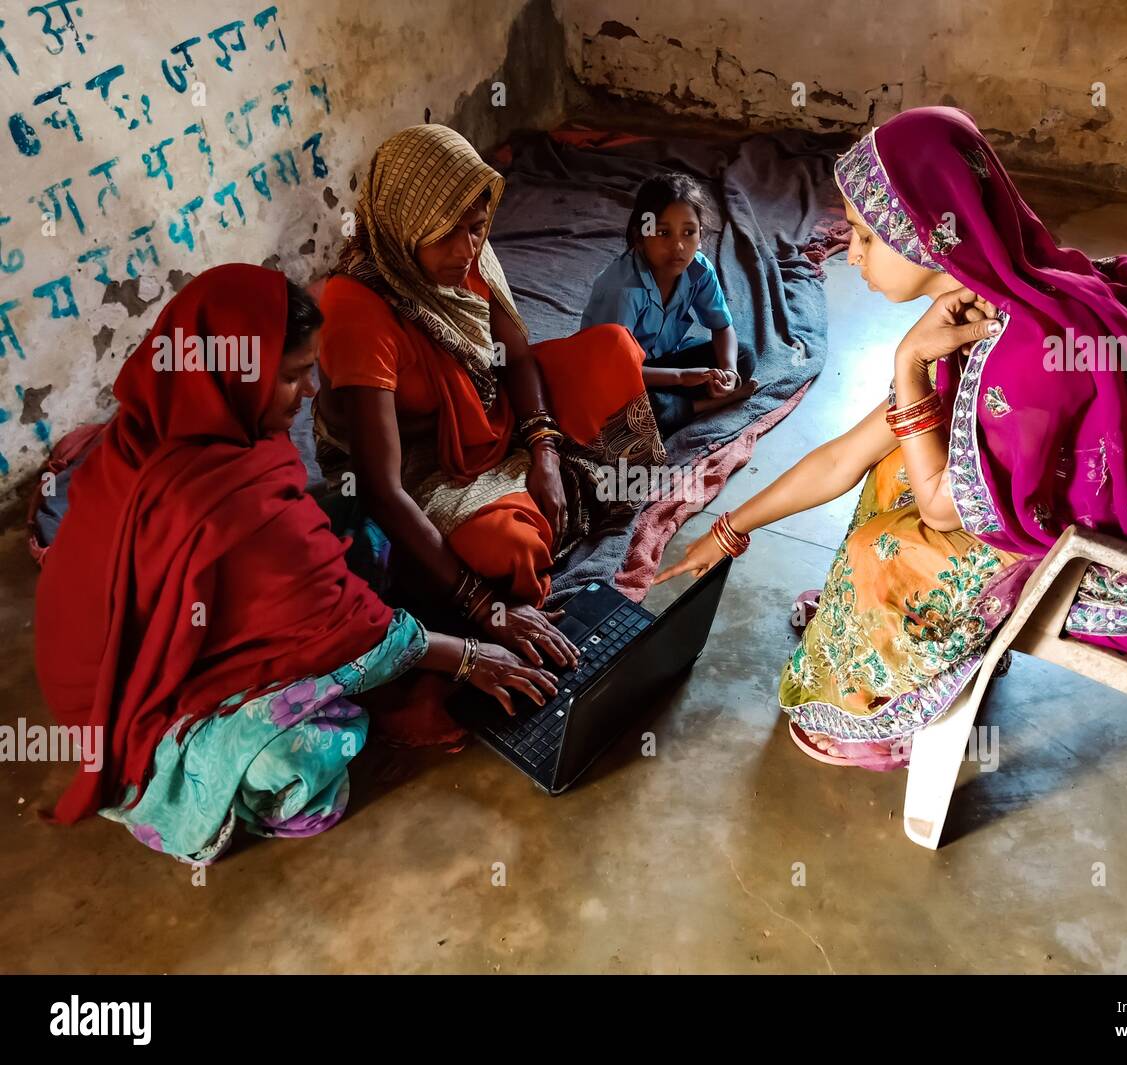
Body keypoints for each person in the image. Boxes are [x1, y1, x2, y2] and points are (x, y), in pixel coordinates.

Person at [656, 106, 1127, 769]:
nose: (850, 254)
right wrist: (729, 528)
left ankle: (883, 704)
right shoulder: (997, 290)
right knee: (900, 460)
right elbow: (850, 450)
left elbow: (936, 506)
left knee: (893, 546)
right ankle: (898, 626)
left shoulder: (1018, 356)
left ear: (925, 238)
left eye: (865, 237)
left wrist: (908, 365)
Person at [34, 264, 560, 861]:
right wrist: (469, 655)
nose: (310, 392)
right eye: (291, 377)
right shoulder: (232, 505)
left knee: (357, 524)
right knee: (302, 755)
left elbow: (300, 568)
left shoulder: (165, 423)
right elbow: (351, 624)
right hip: (131, 712)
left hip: (148, 644)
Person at [315, 125, 665, 665]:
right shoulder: (356, 308)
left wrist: (544, 449)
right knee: (511, 549)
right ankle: (555, 502)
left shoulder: (470, 252)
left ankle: (553, 487)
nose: (466, 249)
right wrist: (483, 607)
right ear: (405, 223)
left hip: (495, 415)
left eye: (477, 229)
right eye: (447, 233)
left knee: (614, 351)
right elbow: (382, 490)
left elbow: (516, 356)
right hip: (424, 464)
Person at [581, 172, 757, 437]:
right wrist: (681, 377)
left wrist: (728, 372)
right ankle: (704, 405)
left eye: (689, 232)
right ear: (640, 236)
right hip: (615, 374)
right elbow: (617, 370)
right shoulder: (623, 289)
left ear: (701, 234)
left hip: (664, 362)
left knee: (743, 356)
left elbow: (722, 328)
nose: (678, 245)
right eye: (663, 233)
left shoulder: (699, 270)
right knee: (640, 412)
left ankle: (695, 402)